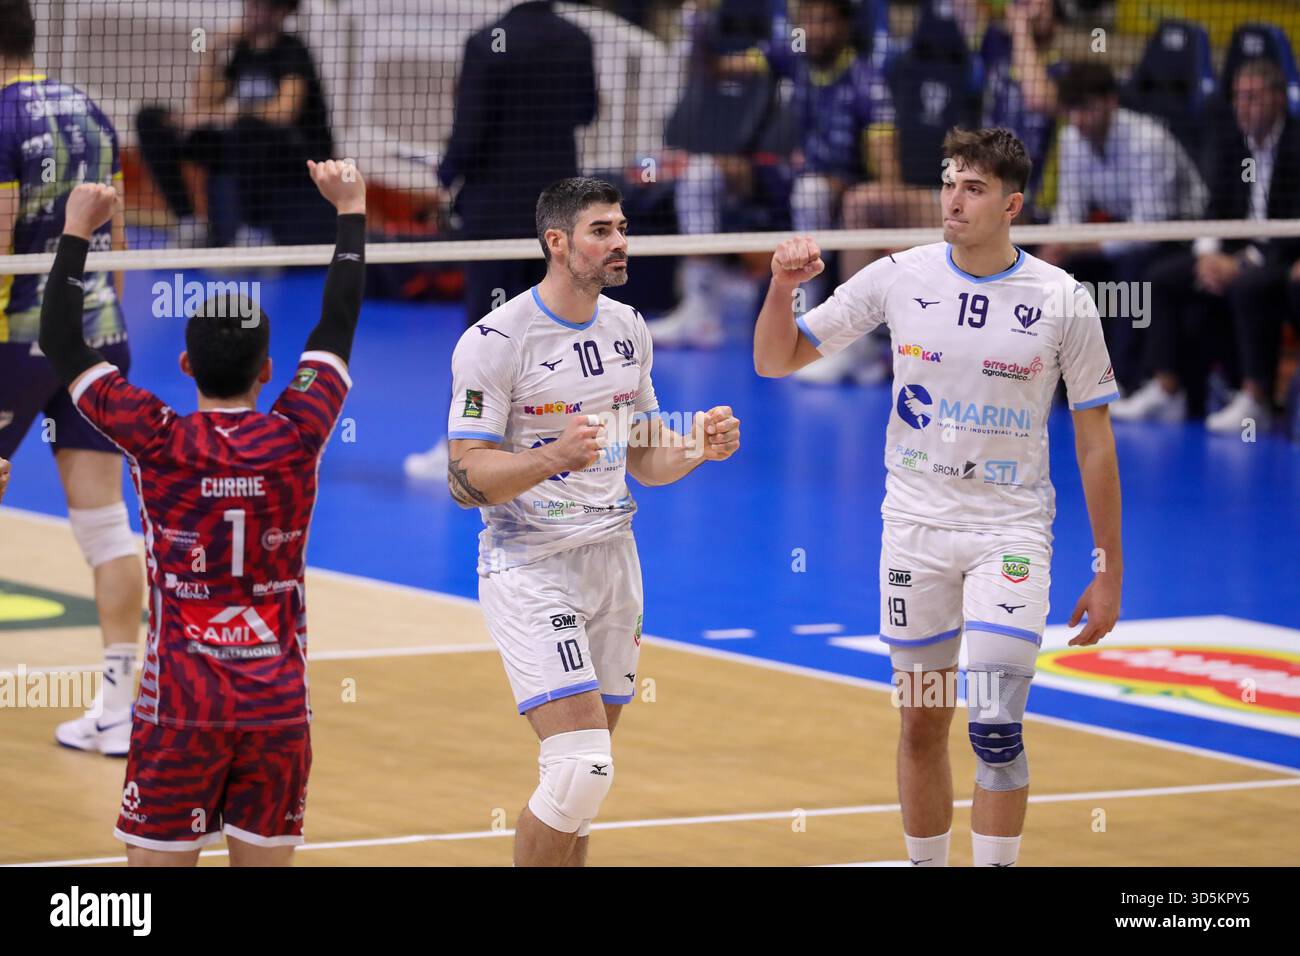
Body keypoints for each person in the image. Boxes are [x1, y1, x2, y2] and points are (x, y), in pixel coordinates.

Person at [753, 127, 1123, 866]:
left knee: (994, 724)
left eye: (974, 188)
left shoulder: (1061, 299)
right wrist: (783, 286)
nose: (953, 199)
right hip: (914, 531)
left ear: (1012, 204)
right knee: (922, 724)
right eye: (949, 181)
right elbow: (775, 359)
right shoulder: (900, 275)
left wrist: (1108, 570)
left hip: (1009, 532)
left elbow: (1096, 442)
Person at [38, 159, 365, 865]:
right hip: (278, 710)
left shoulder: (156, 437)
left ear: (184, 366)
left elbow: (63, 343)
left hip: (180, 709)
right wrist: (350, 212)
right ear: (269, 370)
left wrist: (75, 233)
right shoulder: (297, 433)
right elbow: (337, 323)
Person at [446, 176, 741, 866]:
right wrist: (551, 457)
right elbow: (465, 481)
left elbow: (643, 459)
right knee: (583, 768)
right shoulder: (496, 341)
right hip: (530, 563)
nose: (618, 243)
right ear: (558, 243)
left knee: (585, 784)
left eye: (621, 228)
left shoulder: (628, 329)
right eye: (601, 231)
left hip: (614, 563)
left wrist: (698, 446)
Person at [0, 0, 143, 756]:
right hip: (98, 336)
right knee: (104, 524)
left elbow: (0, 244)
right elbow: (115, 239)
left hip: (13, 337)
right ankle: (119, 711)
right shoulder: (89, 108)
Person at [404, 0, 597, 481]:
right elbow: (585, 111)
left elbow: (470, 132)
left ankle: (465, 453)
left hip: (494, 213)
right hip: (557, 212)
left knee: (484, 336)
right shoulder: (577, 39)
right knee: (551, 331)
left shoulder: (484, 43)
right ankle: (552, 447)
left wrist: (444, 175)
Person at [1111, 58, 1300, 428]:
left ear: (1279, 99)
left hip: (1283, 253)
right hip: (1233, 251)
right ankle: (1167, 390)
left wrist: (1242, 262)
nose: (1244, 107)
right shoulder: (1231, 141)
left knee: (1249, 286)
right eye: (1239, 98)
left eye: (1254, 98)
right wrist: (1208, 255)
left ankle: (1256, 399)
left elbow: (1291, 226)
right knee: (1159, 277)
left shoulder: (1296, 146)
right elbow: (1214, 209)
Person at [1038, 61, 1207, 392]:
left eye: (1086, 109)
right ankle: (1067, 379)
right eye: (1072, 110)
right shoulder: (1072, 139)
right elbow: (1069, 209)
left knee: (1131, 272)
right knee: (1063, 270)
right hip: (1122, 228)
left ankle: (1122, 381)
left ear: (1111, 102)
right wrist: (1055, 246)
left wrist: (1086, 244)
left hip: (1181, 233)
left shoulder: (1148, 142)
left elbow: (1149, 228)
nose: (1078, 120)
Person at [135, 0, 334, 247]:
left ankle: (254, 235)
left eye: (258, 7)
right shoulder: (243, 52)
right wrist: (212, 50)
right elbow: (202, 103)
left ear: (281, 13)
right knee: (152, 120)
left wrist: (222, 115)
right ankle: (189, 224)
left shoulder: (292, 51)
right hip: (241, 146)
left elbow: (285, 111)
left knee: (247, 128)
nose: (249, 12)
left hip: (294, 152)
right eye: (248, 6)